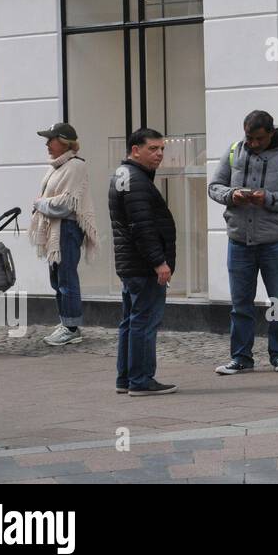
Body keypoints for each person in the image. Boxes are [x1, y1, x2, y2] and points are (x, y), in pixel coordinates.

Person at [208, 110, 278, 375]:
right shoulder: (234, 151)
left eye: (258, 139)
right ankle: (241, 357)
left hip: (275, 241)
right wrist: (232, 195)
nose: (252, 143)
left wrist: (269, 199)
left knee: (277, 302)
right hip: (239, 240)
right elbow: (214, 186)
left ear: (271, 133)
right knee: (240, 303)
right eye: (249, 138)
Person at [109, 128, 178, 396]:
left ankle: (126, 378)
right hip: (143, 265)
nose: (159, 154)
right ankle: (140, 380)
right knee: (144, 321)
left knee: (131, 320)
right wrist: (159, 262)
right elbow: (142, 226)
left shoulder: (125, 175)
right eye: (153, 149)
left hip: (132, 264)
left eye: (162, 148)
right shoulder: (136, 179)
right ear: (135, 150)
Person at [30, 123, 100, 347]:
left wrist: (40, 203)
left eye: (51, 139)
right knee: (57, 278)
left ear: (64, 141)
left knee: (66, 278)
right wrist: (44, 205)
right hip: (57, 229)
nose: (47, 144)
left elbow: (66, 204)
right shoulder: (57, 166)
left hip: (67, 229)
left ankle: (71, 327)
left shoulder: (74, 166)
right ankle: (67, 322)